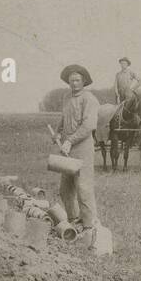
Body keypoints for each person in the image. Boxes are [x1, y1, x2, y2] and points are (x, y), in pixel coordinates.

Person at [56, 64, 99, 230]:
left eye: (77, 80)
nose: (74, 83)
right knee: (65, 189)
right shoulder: (66, 98)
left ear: (84, 81)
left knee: (83, 188)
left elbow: (89, 125)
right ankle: (74, 221)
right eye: (71, 80)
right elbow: (64, 117)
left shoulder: (89, 99)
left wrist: (70, 140)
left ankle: (89, 227)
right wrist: (59, 133)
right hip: (67, 150)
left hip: (82, 148)